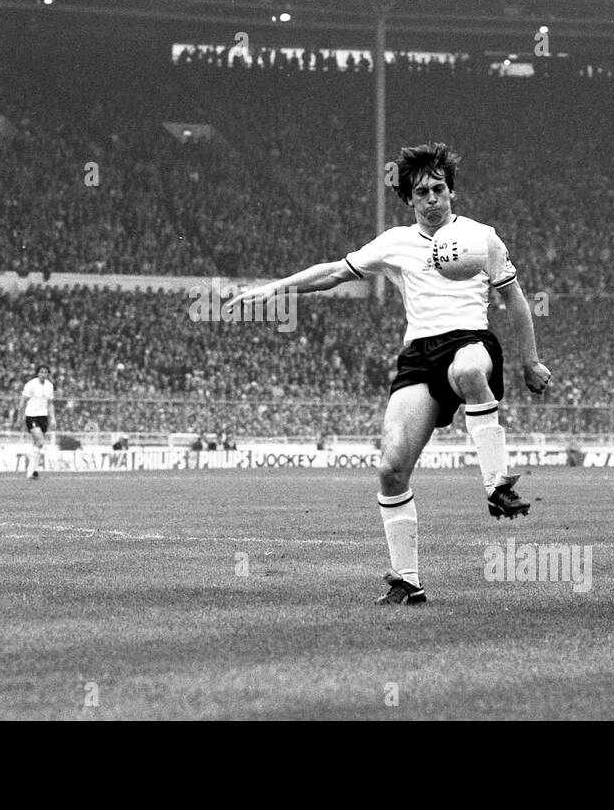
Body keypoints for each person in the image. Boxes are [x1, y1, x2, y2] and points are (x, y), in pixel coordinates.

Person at [226, 142, 550, 605]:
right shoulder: (394, 243)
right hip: (419, 355)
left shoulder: (483, 238)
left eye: (439, 189)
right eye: (422, 192)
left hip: (470, 340)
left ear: (451, 192)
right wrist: (277, 288)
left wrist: (530, 360)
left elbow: (514, 298)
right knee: (391, 468)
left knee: (470, 370)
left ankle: (497, 485)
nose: (432, 198)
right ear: (409, 199)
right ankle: (407, 581)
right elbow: (334, 273)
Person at [17, 365, 55, 479]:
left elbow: (50, 403)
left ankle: (32, 471)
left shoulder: (49, 386)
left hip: (43, 416)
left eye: (46, 372)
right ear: (37, 373)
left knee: (37, 444)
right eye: (41, 372)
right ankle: (31, 471)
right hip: (31, 415)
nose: (44, 374)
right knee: (40, 441)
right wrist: (20, 417)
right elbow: (23, 401)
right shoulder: (31, 384)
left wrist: (53, 418)